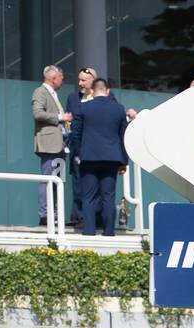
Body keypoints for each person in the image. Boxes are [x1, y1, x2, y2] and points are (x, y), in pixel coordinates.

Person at [70, 77, 128, 237]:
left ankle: (89, 231)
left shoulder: (84, 108)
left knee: (88, 197)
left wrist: (77, 154)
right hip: (112, 158)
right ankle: (109, 232)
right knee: (108, 197)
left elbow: (76, 134)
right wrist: (124, 161)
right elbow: (124, 136)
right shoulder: (119, 109)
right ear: (108, 91)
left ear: (92, 91)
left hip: (89, 157)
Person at [63, 67, 97, 228]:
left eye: (83, 80)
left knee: (92, 184)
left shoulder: (101, 97)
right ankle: (78, 216)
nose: (80, 83)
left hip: (94, 147)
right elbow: (70, 121)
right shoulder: (73, 98)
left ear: (93, 81)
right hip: (77, 147)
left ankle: (92, 217)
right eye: (79, 80)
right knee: (77, 183)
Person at [32, 65, 65, 226]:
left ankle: (56, 214)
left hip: (58, 144)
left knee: (57, 179)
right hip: (49, 143)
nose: (62, 80)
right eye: (60, 77)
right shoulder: (41, 92)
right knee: (47, 179)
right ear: (53, 78)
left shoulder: (52, 93)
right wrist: (60, 117)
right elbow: (38, 113)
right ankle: (45, 215)